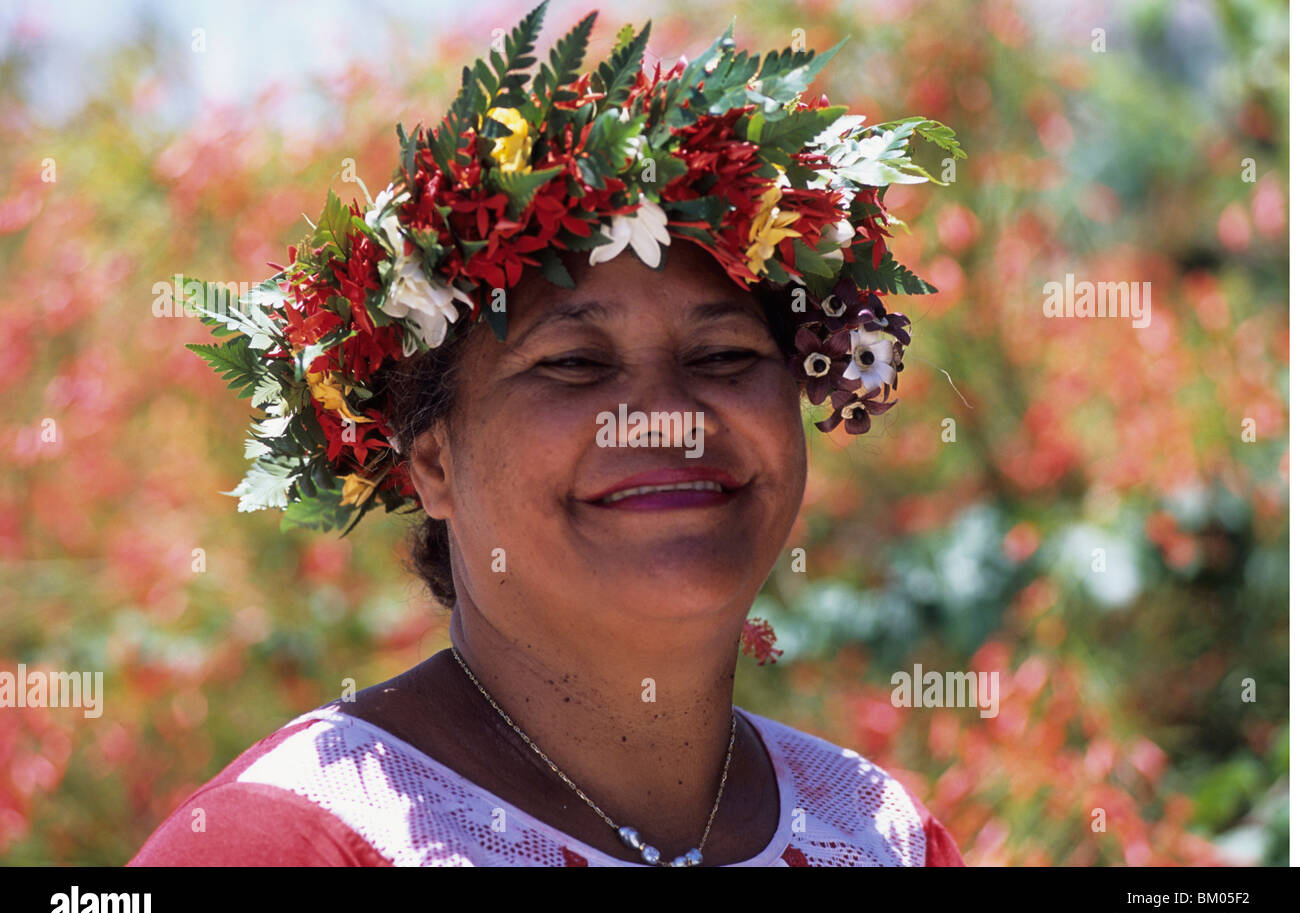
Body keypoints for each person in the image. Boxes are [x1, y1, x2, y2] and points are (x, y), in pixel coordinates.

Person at [129, 2, 966, 867]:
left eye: (721, 355)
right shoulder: (280, 844)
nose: (664, 416)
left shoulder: (880, 837)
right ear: (433, 462)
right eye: (573, 364)